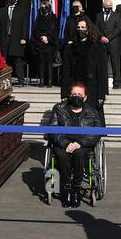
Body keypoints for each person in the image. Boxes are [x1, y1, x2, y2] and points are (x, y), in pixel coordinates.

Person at [41, 79, 104, 208]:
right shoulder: (59, 109)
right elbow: (52, 129)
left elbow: (96, 132)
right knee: (62, 155)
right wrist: (65, 143)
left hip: (82, 145)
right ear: (69, 95)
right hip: (62, 143)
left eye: (80, 95)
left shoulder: (92, 112)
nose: (76, 97)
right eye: (74, 94)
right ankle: (66, 187)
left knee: (79, 154)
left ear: (85, 97)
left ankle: (75, 189)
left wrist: (80, 143)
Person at [60, 18, 109, 106]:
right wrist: (64, 93)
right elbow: (65, 72)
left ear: (88, 29)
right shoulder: (69, 48)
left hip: (92, 90)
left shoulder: (97, 47)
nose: (80, 30)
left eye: (83, 27)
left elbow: (102, 72)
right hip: (75, 90)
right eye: (78, 27)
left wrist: (102, 95)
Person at [0, 0, 29, 84]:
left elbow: (25, 26)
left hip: (17, 39)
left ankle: (21, 80)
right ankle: (4, 79)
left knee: (18, 60)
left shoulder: (22, 11)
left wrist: (24, 38)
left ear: (17, 0)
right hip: (5, 38)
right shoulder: (2, 10)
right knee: (4, 59)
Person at [97, 0, 121, 88]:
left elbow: (118, 28)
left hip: (113, 43)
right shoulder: (99, 15)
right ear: (103, 6)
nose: (108, 7)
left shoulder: (117, 15)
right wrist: (101, 37)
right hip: (102, 43)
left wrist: (108, 38)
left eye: (110, 6)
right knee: (102, 63)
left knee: (115, 63)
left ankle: (117, 82)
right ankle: (102, 82)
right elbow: (96, 28)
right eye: (106, 6)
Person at [32, 0, 58, 87]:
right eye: (42, 7)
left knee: (49, 63)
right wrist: (41, 37)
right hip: (40, 43)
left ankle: (50, 81)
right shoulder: (39, 17)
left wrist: (48, 38)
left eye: (45, 7)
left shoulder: (53, 17)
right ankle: (41, 81)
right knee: (41, 63)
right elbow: (35, 29)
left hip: (50, 43)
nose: (43, 9)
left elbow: (54, 30)